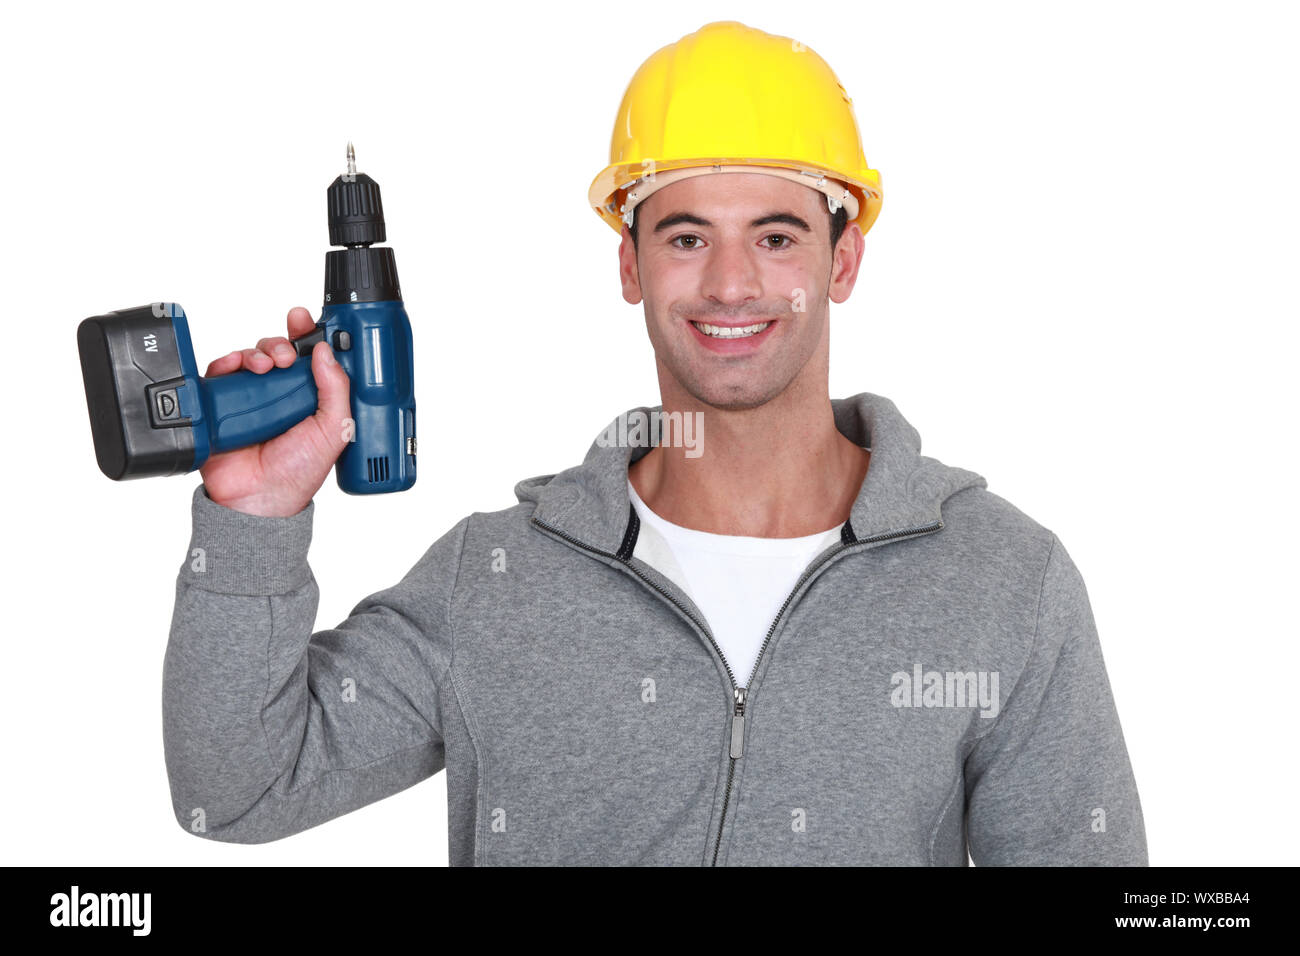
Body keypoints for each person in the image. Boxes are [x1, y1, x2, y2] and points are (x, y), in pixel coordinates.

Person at [163, 20, 1147, 865]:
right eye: (683, 237)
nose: (729, 285)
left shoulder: (1001, 581)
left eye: (774, 236)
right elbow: (237, 785)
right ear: (628, 265)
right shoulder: (497, 577)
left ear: (842, 260)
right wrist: (254, 516)